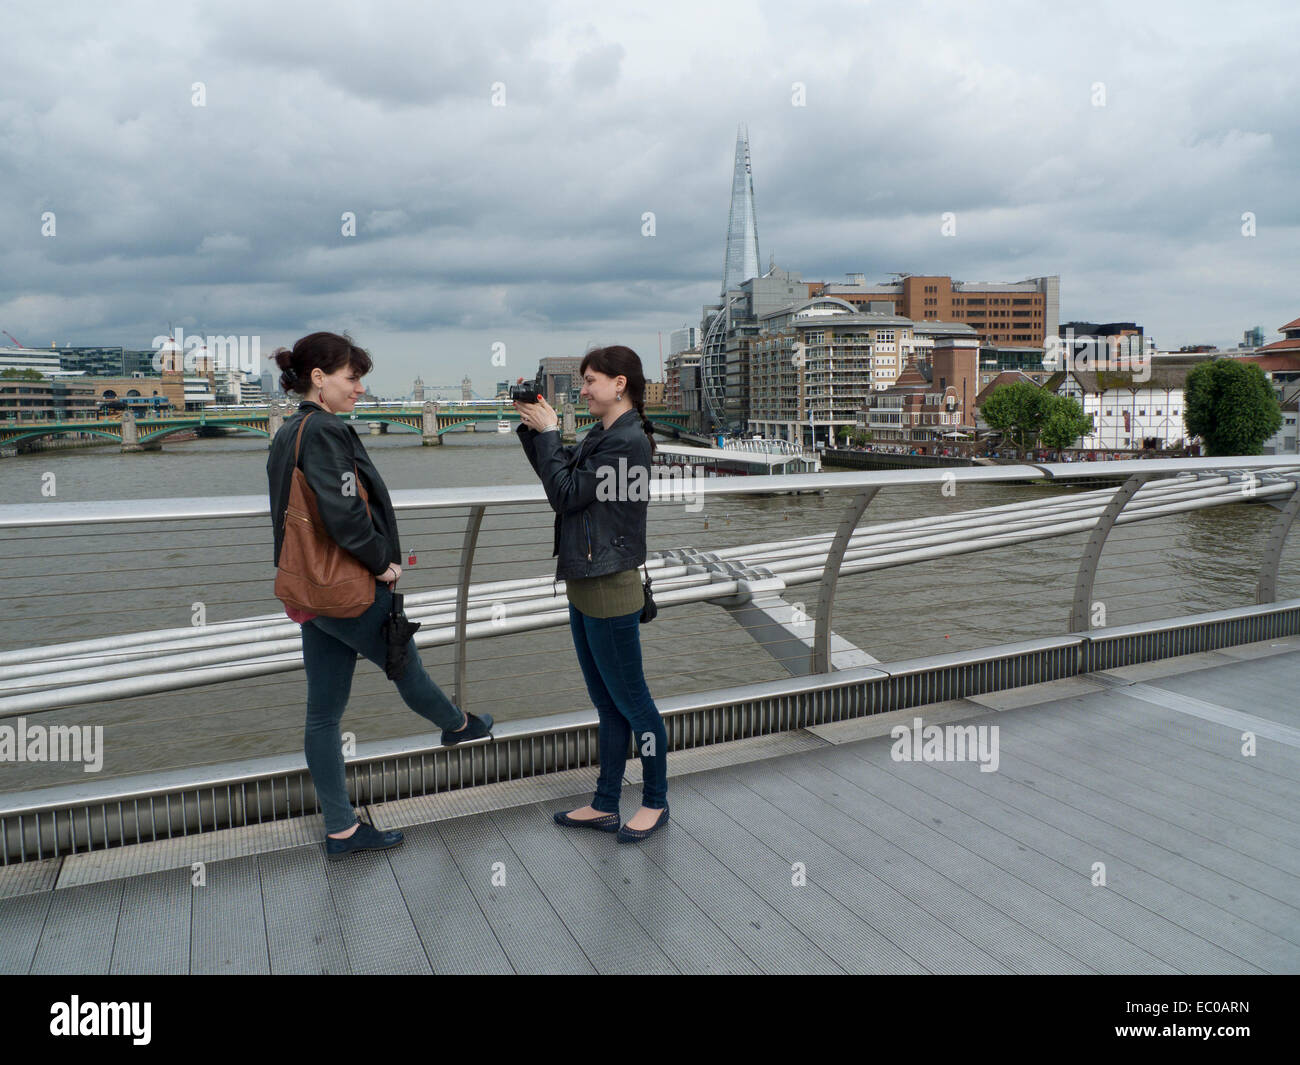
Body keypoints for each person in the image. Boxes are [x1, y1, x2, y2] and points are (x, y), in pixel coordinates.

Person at [266, 332, 493, 861]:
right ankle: (460, 726)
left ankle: (342, 829)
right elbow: (344, 510)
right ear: (319, 379)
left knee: (323, 715)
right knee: (405, 666)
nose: (361, 389)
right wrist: (381, 562)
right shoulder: (324, 430)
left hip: (311, 592)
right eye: (352, 377)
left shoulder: (288, 431)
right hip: (346, 588)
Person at [514, 345, 670, 843]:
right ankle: (605, 803)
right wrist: (536, 431)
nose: (582, 390)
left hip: (608, 584)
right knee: (606, 703)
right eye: (581, 381)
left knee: (634, 703)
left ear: (620, 383)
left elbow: (563, 494)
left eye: (590, 381)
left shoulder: (626, 443)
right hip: (585, 580)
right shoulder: (601, 435)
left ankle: (654, 800)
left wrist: (548, 433)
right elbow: (557, 481)